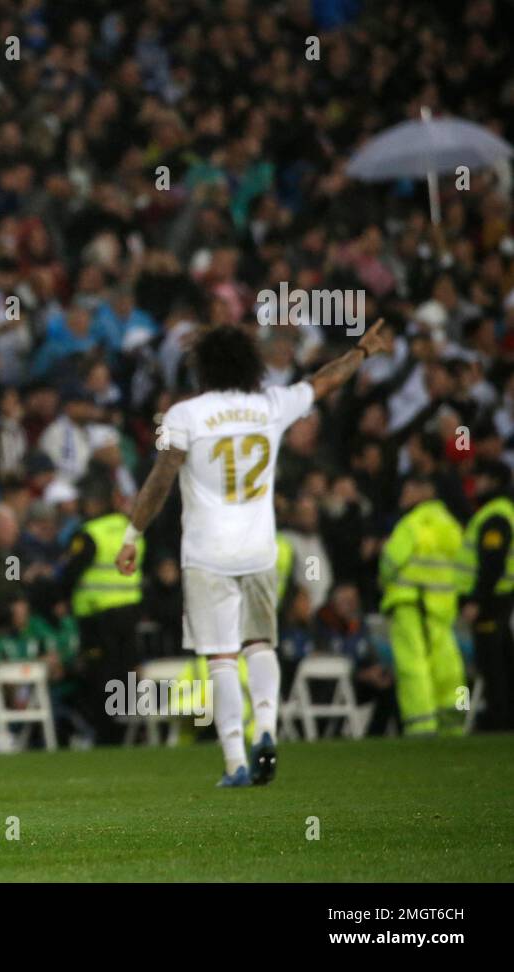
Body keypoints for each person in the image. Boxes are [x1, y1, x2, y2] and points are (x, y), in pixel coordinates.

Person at [116, 319, 394, 786]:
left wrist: (132, 535)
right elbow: (323, 381)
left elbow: (161, 478)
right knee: (260, 644)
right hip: (260, 549)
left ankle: (234, 762)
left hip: (206, 554)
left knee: (221, 657)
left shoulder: (185, 415)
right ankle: (265, 728)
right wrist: (362, 352)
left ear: (201, 367)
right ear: (251, 364)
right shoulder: (271, 404)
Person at [379, 473, 466, 736]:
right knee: (448, 665)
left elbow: (390, 563)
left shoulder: (412, 524)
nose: (403, 494)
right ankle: (453, 721)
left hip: (410, 605)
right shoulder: (451, 525)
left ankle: (421, 725)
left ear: (423, 491)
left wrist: (384, 578)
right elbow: (463, 568)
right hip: (442, 608)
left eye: (408, 488)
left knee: (413, 665)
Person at [59, 473, 142, 744]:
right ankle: (129, 732)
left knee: (99, 676)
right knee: (125, 674)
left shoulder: (89, 534)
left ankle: (106, 735)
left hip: (98, 618)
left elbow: (69, 575)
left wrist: (55, 598)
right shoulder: (131, 528)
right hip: (129, 614)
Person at [457, 459, 514, 731]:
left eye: (479, 478)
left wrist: (476, 601)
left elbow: (492, 562)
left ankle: (499, 721)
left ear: (492, 482)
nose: (474, 484)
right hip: (501, 599)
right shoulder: (502, 511)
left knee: (493, 666)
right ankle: (502, 720)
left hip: (492, 601)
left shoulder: (494, 515)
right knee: (502, 661)